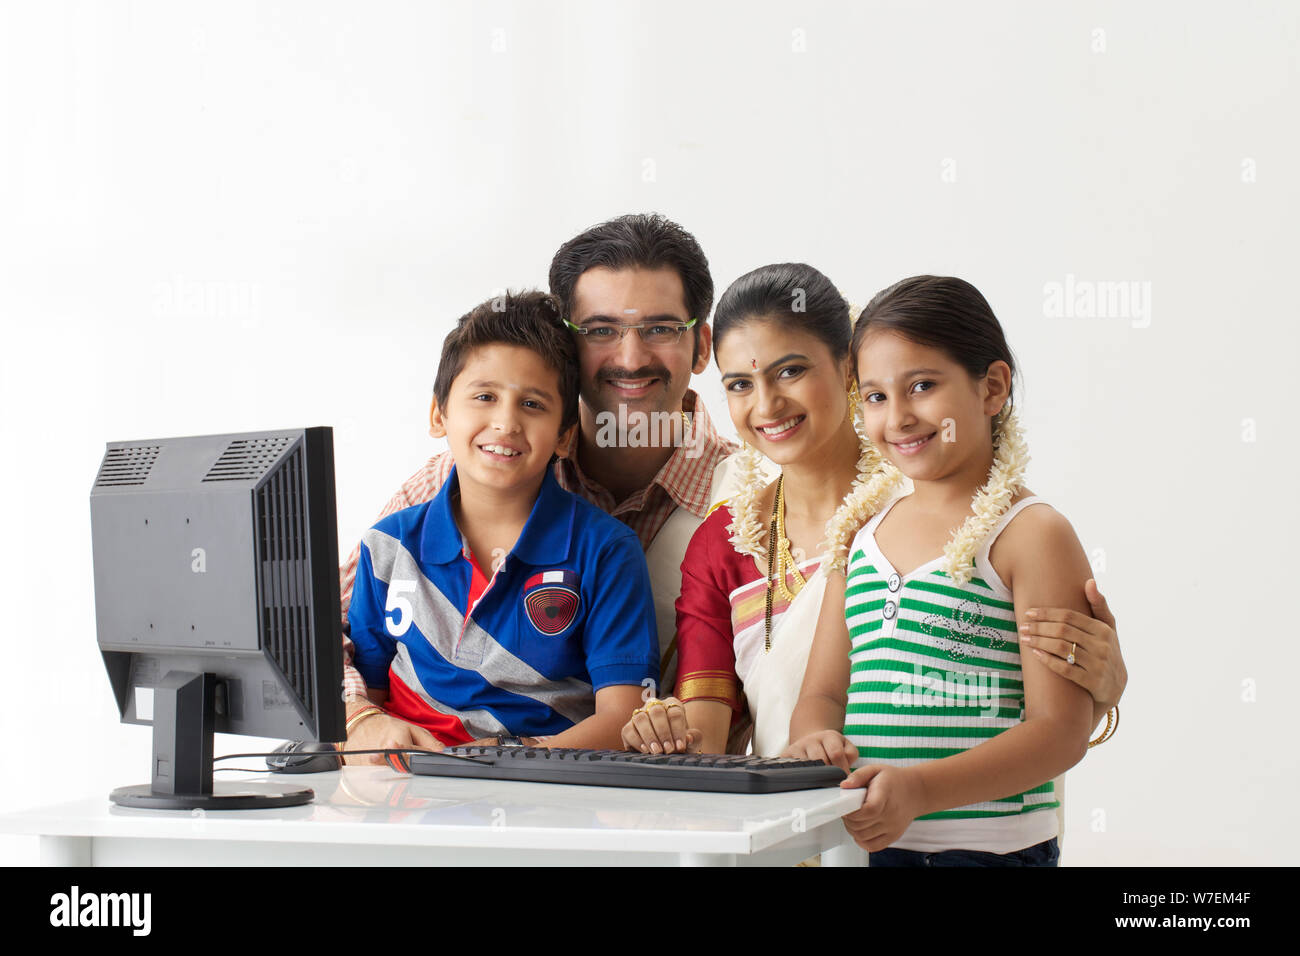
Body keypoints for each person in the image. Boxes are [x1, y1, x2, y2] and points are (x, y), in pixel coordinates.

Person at [621, 265, 1126, 762]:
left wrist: (1100, 693)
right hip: (795, 824)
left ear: (848, 369)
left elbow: (1044, 715)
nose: (768, 405)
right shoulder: (725, 538)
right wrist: (662, 729)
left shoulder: (939, 500)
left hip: (965, 822)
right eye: (739, 385)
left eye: (791, 371)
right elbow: (707, 736)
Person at [341, 214, 739, 763]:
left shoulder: (755, 499)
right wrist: (361, 720)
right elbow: (326, 637)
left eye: (660, 328)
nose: (629, 356)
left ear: (701, 347)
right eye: (601, 331)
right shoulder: (442, 487)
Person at [786, 275, 1104, 866]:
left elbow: (1060, 731)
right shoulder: (859, 534)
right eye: (876, 397)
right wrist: (814, 738)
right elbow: (824, 694)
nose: (899, 417)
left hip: (987, 853)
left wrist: (922, 790)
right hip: (865, 847)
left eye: (923, 386)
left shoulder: (1031, 534)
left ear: (992, 388)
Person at [346, 291, 658, 752]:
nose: (506, 422)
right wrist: (364, 727)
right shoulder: (389, 546)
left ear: (565, 437)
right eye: (485, 396)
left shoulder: (606, 550)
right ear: (439, 414)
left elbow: (623, 718)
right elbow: (367, 698)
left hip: (543, 794)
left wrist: (516, 758)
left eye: (532, 404)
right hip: (406, 790)